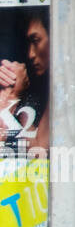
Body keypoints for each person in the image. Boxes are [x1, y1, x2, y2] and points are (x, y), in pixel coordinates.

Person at [0, 10, 51, 155]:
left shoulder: (58, 89)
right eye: (27, 44)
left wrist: (15, 95)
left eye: (36, 40)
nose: (31, 54)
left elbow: (37, 155)